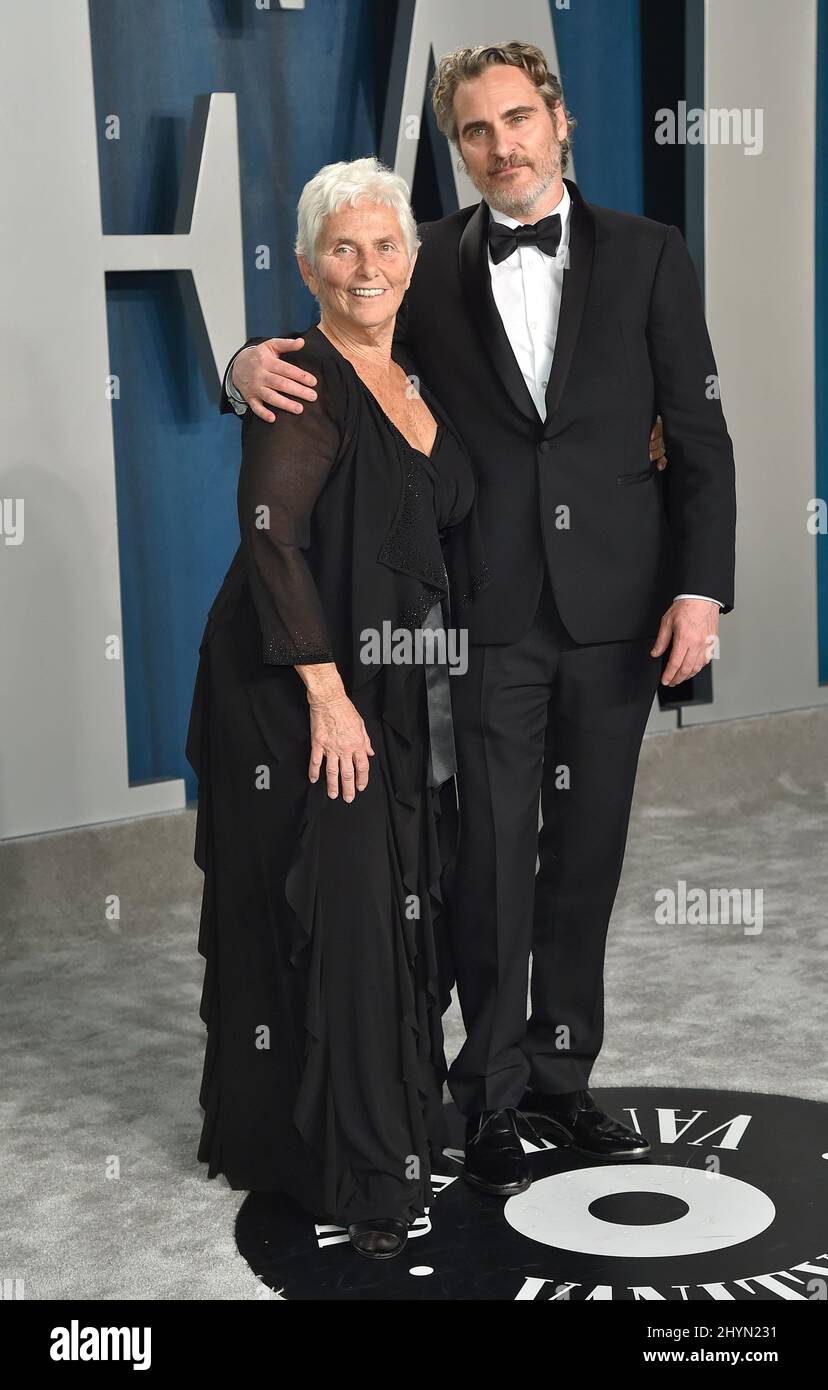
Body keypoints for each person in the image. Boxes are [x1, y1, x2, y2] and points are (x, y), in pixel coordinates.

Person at [220, 42, 736, 1198]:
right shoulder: (425, 260)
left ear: (557, 121)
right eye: (474, 132)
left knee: (586, 857)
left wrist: (701, 587)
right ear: (456, 149)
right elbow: (340, 344)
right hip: (485, 614)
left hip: (621, 613)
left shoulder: (654, 257)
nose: (500, 147)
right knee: (494, 863)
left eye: (517, 120)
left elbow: (700, 430)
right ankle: (490, 1093)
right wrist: (239, 361)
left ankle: (564, 1073)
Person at [186, 156, 489, 1258]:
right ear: (309, 264)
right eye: (343, 248)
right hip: (298, 686)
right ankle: (356, 1172)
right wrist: (328, 695)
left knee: (401, 893)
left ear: (413, 257)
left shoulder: (418, 367)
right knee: (352, 904)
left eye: (385, 244)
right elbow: (269, 533)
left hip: (396, 682)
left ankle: (393, 1120)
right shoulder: (298, 377)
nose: (368, 266)